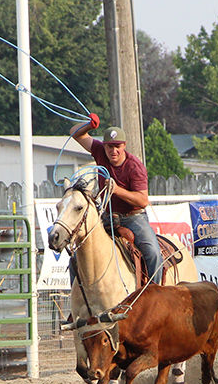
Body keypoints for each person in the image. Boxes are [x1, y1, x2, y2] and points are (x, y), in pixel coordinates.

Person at [69, 116, 163, 284]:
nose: (114, 151)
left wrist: (117, 190)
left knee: (153, 253)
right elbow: (75, 133)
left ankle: (154, 293)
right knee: (77, 257)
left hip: (134, 218)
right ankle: (79, 299)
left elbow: (142, 201)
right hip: (107, 216)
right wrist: (88, 125)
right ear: (104, 146)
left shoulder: (135, 167)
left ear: (124, 146)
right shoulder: (99, 151)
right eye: (110, 147)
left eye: (117, 146)